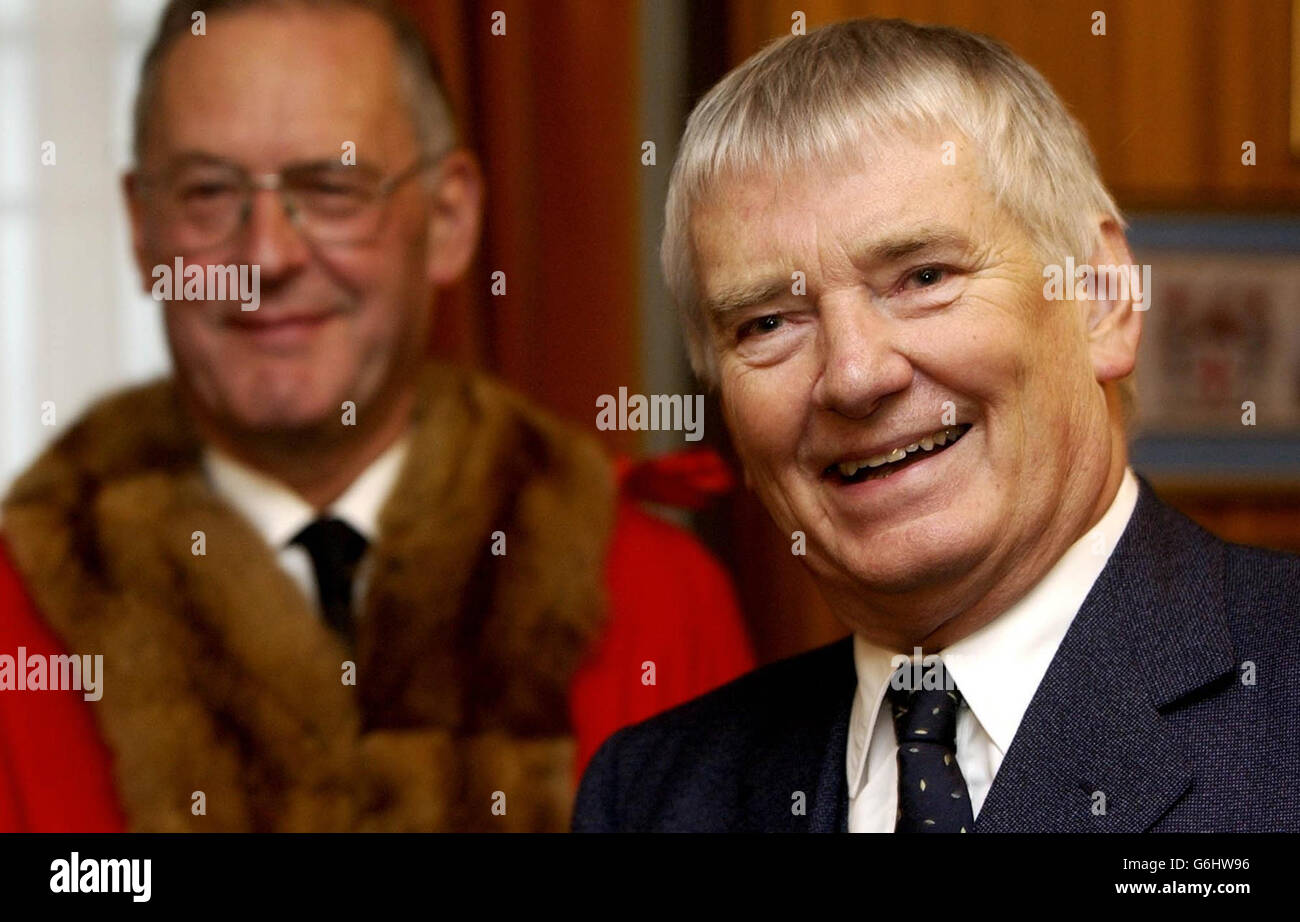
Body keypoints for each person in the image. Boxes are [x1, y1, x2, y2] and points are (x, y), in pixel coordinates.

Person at [0, 0, 754, 832]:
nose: (266, 257)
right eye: (208, 191)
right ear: (143, 229)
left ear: (448, 217)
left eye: (330, 188)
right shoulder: (15, 620)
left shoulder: (651, 594)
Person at [574, 17, 1300, 833]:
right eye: (769, 323)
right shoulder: (653, 798)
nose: (854, 375)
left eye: (923, 276)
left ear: (1101, 298)